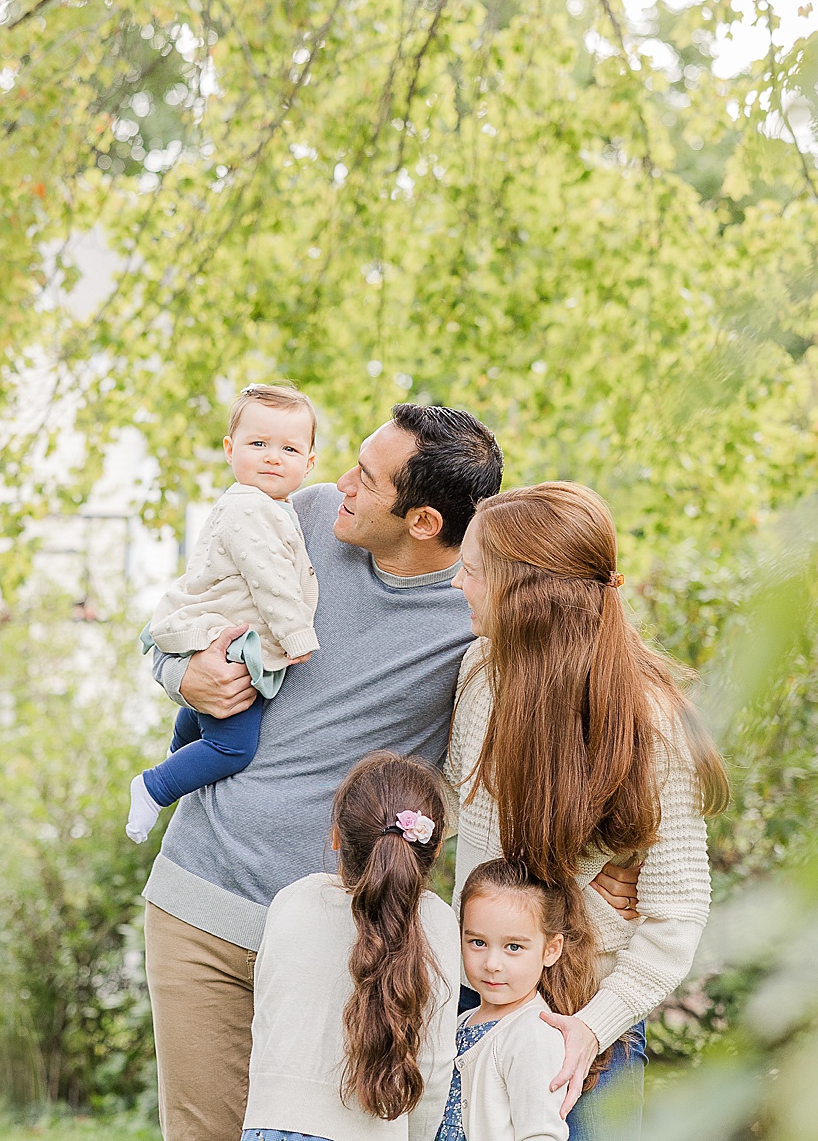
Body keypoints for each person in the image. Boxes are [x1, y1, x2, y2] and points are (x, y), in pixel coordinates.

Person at [141, 403, 504, 1141]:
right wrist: (183, 678)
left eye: (366, 480)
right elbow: (176, 619)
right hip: (201, 902)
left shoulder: (475, 613)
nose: (337, 481)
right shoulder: (294, 518)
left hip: (341, 935)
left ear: (424, 522)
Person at [444, 481, 731, 1136]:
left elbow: (676, 914)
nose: (458, 582)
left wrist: (590, 1027)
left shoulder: (649, 723)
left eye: (475, 570)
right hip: (477, 1009)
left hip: (586, 1026)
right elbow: (459, 804)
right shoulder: (480, 673)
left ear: (525, 594)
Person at [127, 384, 323, 844]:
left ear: (309, 462)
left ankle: (179, 755)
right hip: (225, 638)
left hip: (223, 631)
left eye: (289, 448)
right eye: (258, 444)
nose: (273, 457)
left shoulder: (275, 506)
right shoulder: (248, 506)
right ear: (230, 450)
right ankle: (156, 786)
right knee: (232, 747)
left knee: (200, 721)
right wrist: (297, 637)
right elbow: (270, 579)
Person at [243, 752, 460, 1141]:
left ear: (336, 836)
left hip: (270, 1125)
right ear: (436, 848)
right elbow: (433, 1067)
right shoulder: (438, 922)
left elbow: (268, 1021)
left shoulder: (293, 900)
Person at [436, 859, 603, 1141]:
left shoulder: (534, 1035)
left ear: (551, 950)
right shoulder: (461, 1021)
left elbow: (541, 1134)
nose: (492, 963)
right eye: (478, 942)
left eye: (513, 947)